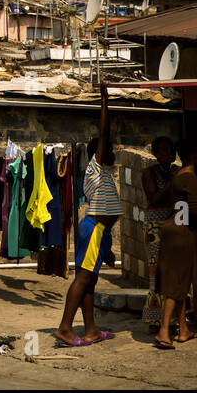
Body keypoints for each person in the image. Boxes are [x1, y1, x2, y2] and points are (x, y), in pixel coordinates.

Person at [55, 86, 120, 348]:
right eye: (110, 149)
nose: (113, 153)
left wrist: (108, 248)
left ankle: (91, 329)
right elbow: (103, 133)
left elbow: (109, 214)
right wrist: (105, 102)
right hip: (93, 229)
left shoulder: (102, 175)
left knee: (90, 280)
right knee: (83, 279)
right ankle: (65, 328)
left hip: (100, 233)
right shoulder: (96, 165)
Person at [154, 142, 197, 349]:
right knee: (177, 283)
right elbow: (194, 210)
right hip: (181, 232)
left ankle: (183, 329)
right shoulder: (189, 177)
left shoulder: (179, 174)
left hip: (173, 229)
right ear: (194, 156)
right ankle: (163, 332)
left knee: (180, 281)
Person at [140, 135, 177, 332]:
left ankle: (171, 319)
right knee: (156, 272)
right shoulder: (149, 173)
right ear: (156, 154)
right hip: (154, 226)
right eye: (164, 150)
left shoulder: (177, 172)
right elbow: (154, 198)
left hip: (173, 225)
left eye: (171, 150)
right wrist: (171, 182)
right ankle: (155, 320)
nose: (169, 154)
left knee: (173, 272)